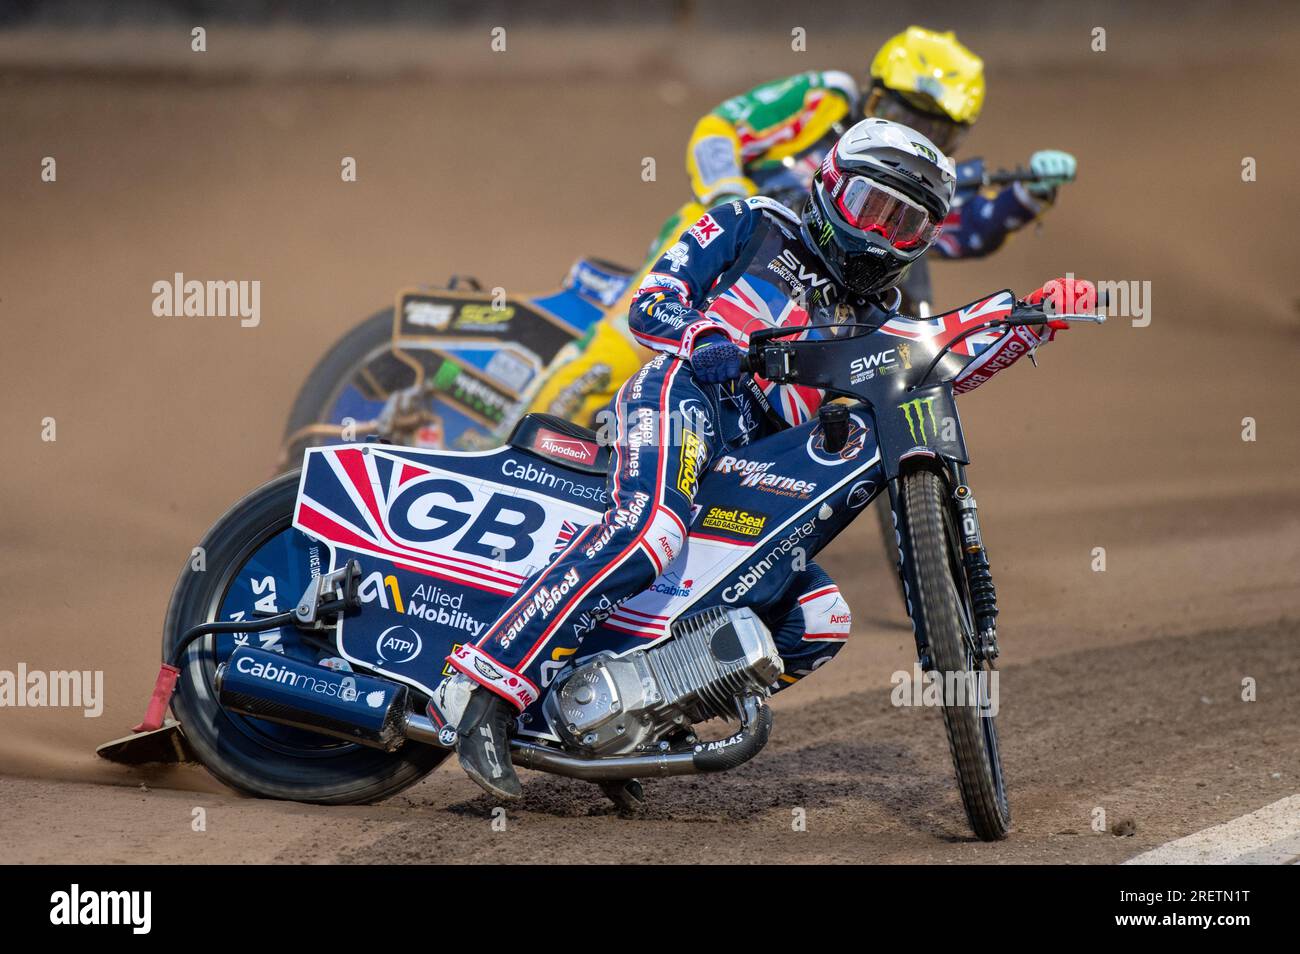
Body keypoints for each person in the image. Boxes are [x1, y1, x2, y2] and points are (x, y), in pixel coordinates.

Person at [437, 117, 1090, 800]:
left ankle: (629, 718)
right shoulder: (751, 221)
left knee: (820, 617)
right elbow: (650, 304)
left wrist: (1039, 315)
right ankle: (483, 689)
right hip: (686, 395)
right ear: (832, 188)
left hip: (761, 461)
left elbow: (939, 363)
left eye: (906, 226)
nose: (880, 235)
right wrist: (704, 336)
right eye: (872, 208)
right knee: (652, 528)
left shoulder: (879, 321)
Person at [526, 25, 1077, 429]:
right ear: (875, 91)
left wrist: (1027, 198)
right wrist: (726, 195)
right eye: (905, 113)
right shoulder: (826, 96)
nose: (914, 132)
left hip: (816, 284)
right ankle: (517, 439)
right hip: (731, 239)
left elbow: (957, 233)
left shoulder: (907, 185)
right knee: (624, 343)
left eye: (937, 129)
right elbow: (720, 129)